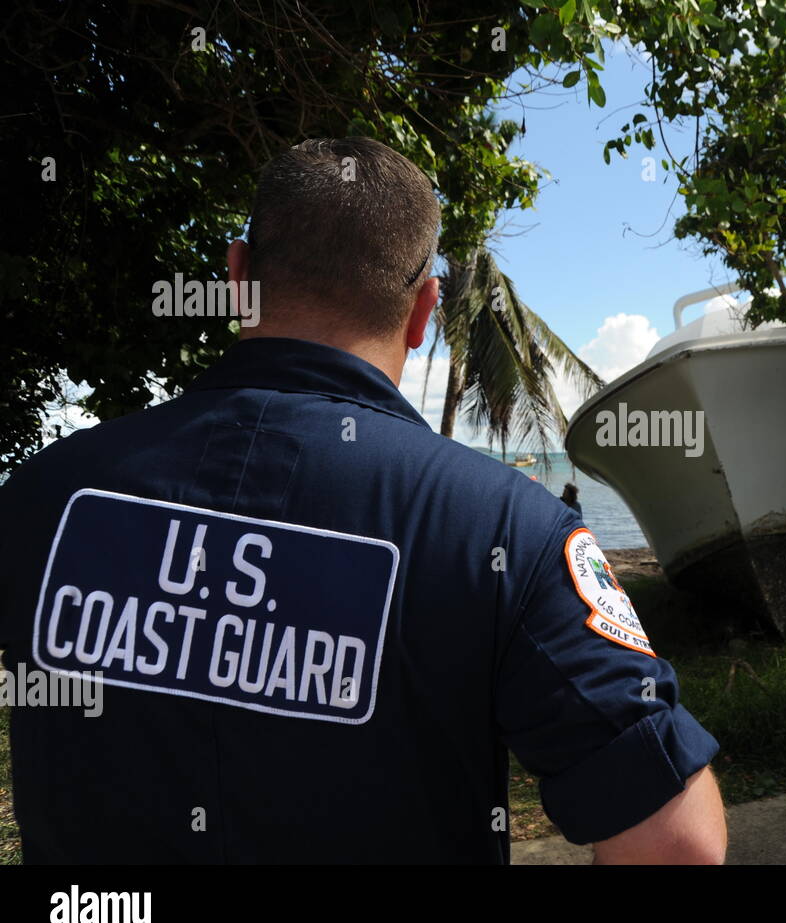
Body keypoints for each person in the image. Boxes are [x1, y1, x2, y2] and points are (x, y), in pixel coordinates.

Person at [0, 137, 725, 864]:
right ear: (425, 309)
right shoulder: (507, 530)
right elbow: (675, 841)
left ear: (238, 273)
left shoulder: (41, 495)